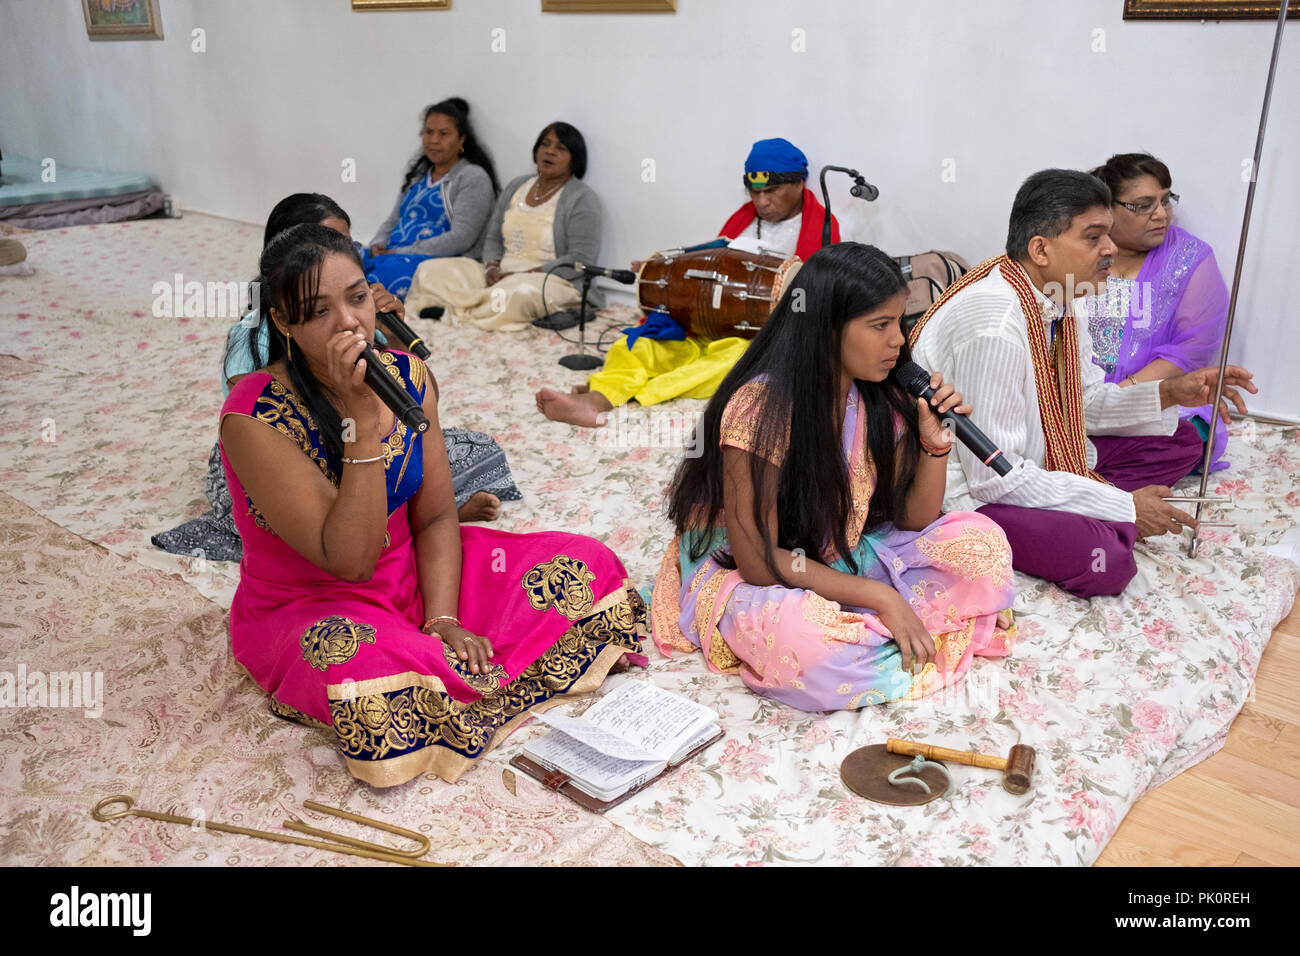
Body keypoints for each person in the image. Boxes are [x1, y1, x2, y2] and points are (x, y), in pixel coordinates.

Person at [218, 224, 646, 786]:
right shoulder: (252, 416)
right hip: (315, 604)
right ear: (283, 323)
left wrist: (443, 619)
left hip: (414, 573)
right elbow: (349, 562)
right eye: (318, 311)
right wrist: (360, 419)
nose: (349, 322)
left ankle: (438, 654)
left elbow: (439, 515)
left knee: (582, 568)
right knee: (375, 685)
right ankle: (429, 667)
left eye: (357, 297)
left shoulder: (406, 374)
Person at [651, 243, 1017, 710]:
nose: (899, 342)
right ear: (826, 329)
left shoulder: (881, 394)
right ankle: (881, 629)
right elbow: (758, 562)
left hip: (845, 551)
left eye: (898, 323)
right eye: (880, 326)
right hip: (761, 570)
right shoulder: (761, 407)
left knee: (983, 546)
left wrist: (934, 445)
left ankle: (874, 632)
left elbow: (912, 519)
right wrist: (879, 596)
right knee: (805, 645)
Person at [909, 169, 1256, 599]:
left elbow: (1083, 402)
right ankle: (1098, 514)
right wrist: (1124, 506)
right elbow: (992, 476)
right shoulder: (994, 325)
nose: (1111, 249)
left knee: (1184, 440)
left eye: (1108, 234)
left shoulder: (1065, 296)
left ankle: (1089, 503)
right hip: (976, 491)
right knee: (1107, 559)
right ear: (1040, 249)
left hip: (1041, 454)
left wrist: (1171, 392)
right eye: (1094, 238)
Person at [151, 194, 517, 564]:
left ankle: (423, 516)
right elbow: (259, 417)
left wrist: (391, 341)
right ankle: (413, 516)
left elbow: (420, 407)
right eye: (320, 308)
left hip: (360, 435)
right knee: (318, 512)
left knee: (473, 446)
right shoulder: (252, 338)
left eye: (342, 247)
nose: (329, 258)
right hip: (294, 451)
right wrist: (353, 411)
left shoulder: (357, 318)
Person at [536, 137, 840, 428]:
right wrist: (667, 271)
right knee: (636, 346)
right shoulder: (743, 220)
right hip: (705, 326)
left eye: (771, 191)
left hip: (755, 337)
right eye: (754, 192)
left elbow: (819, 297)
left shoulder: (822, 226)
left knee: (735, 363)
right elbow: (714, 259)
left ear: (799, 184)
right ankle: (596, 399)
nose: (762, 201)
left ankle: (626, 394)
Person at [1076, 153, 1231, 471]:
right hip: (1075, 398)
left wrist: (1116, 401)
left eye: (1165, 200)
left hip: (1158, 400)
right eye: (1144, 205)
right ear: (1108, 209)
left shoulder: (1190, 259)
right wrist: (1082, 405)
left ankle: (1081, 463)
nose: (1161, 214)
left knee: (1185, 437)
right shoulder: (1077, 253)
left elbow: (1188, 355)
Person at [404, 122, 601, 332]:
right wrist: (491, 267)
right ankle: (471, 309)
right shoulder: (517, 186)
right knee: (430, 269)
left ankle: (458, 312)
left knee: (519, 295)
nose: (550, 151)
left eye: (561, 148)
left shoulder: (582, 198)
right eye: (545, 144)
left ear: (575, 159)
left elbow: (581, 260)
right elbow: (493, 238)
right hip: (500, 273)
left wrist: (527, 273)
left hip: (550, 281)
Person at [361, 98, 499, 299]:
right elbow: (393, 220)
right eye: (428, 132)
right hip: (394, 252)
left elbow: (461, 238)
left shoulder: (472, 177)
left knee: (382, 279)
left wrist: (399, 253)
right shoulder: (419, 176)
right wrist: (378, 244)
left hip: (436, 259)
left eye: (443, 134)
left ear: (461, 140)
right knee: (348, 260)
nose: (434, 140)